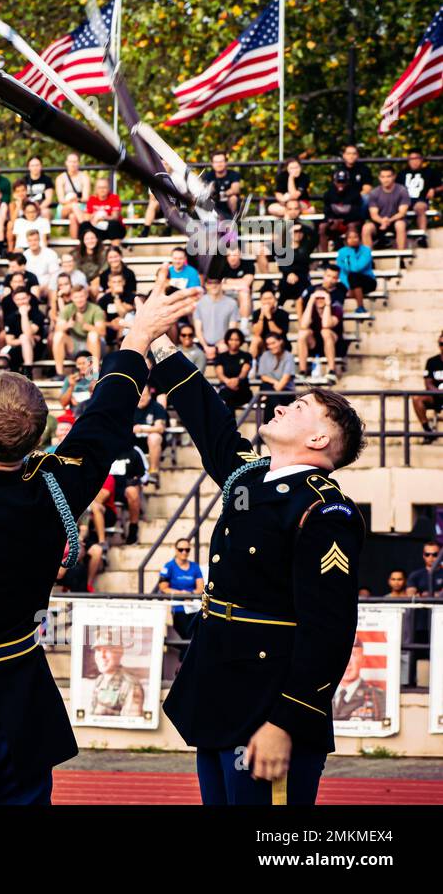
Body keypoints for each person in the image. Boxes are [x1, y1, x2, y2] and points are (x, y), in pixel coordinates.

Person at [0, 281, 196, 804]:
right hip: (25, 711)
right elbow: (103, 423)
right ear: (36, 437)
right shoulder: (52, 490)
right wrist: (137, 338)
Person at [145, 309, 367, 805]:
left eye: (301, 407)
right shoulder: (251, 477)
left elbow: (329, 629)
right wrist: (156, 343)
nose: (284, 406)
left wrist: (286, 720)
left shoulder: (325, 510)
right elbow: (210, 421)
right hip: (219, 690)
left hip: (269, 704)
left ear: (319, 440)